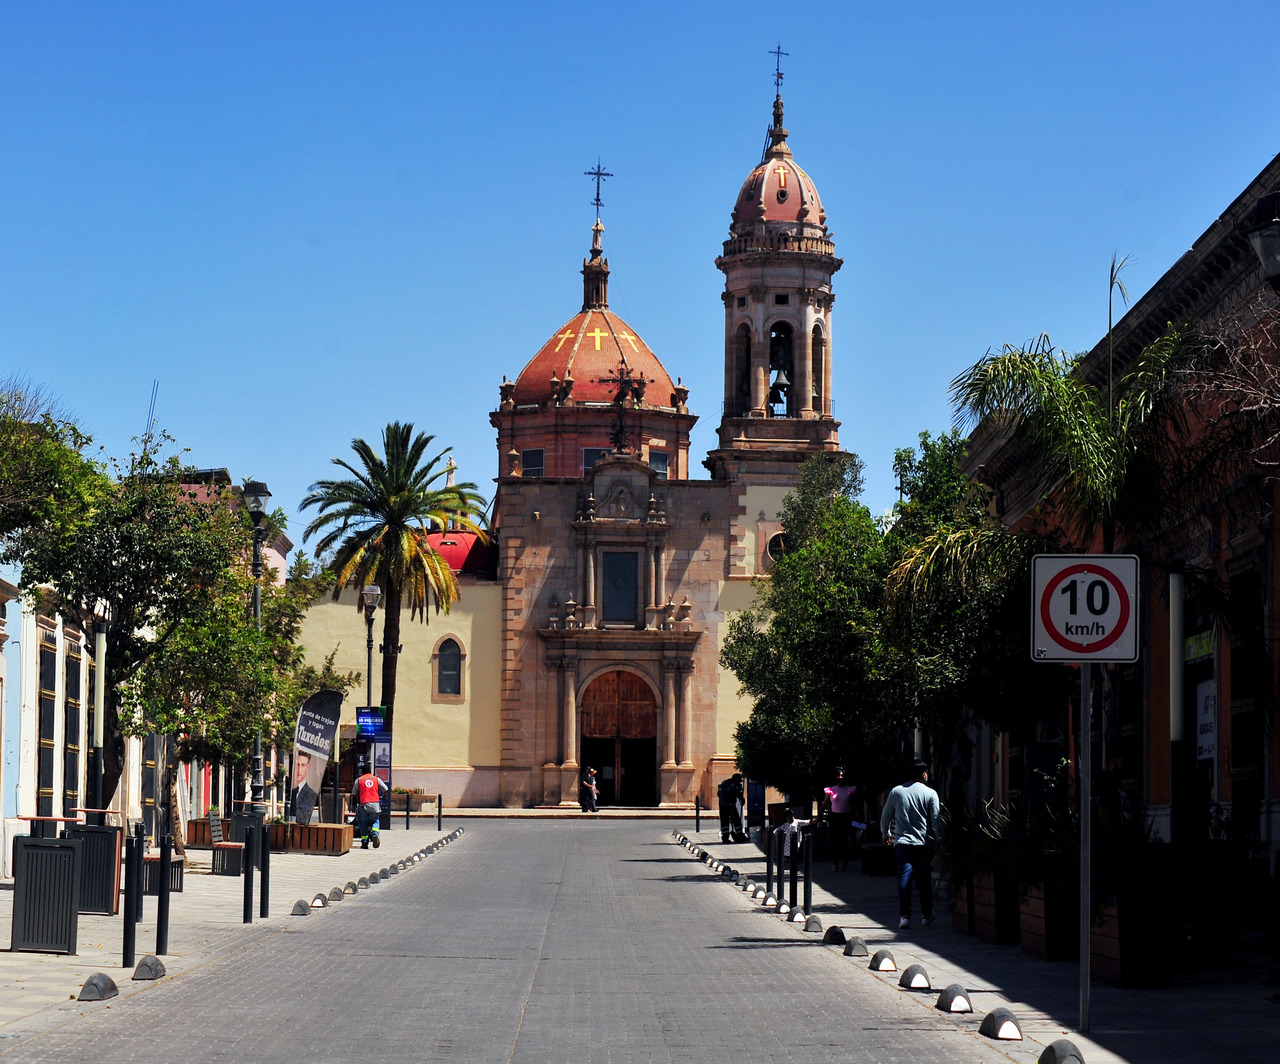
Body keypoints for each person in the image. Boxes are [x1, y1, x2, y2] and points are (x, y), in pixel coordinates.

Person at [879, 758, 941, 930]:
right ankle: (926, 915)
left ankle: (904, 916)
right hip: (923, 844)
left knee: (904, 878)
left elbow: (885, 816)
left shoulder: (896, 792)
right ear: (923, 775)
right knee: (923, 879)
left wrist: (886, 834)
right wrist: (940, 838)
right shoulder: (930, 793)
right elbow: (936, 821)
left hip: (902, 843)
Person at [822, 770, 858, 872]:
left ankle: (844, 861)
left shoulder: (849, 790)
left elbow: (853, 805)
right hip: (835, 816)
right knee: (834, 840)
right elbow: (825, 804)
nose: (840, 778)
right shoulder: (831, 790)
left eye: (842, 776)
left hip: (846, 816)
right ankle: (835, 862)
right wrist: (819, 816)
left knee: (845, 840)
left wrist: (857, 816)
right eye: (839, 776)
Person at [351, 758, 389, 849]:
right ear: (370, 771)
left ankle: (365, 842)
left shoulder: (359, 780)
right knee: (375, 820)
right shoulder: (376, 779)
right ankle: (375, 833)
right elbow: (386, 789)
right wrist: (385, 796)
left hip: (363, 805)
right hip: (375, 805)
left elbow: (354, 794)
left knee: (362, 823)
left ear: (362, 772)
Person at [717, 773, 746, 843]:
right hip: (729, 805)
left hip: (722, 804)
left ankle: (725, 838)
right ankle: (740, 835)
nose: (739, 782)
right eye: (739, 781)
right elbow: (737, 793)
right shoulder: (734, 784)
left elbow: (718, 793)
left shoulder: (724, 782)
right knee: (736, 819)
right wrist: (741, 799)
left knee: (724, 821)